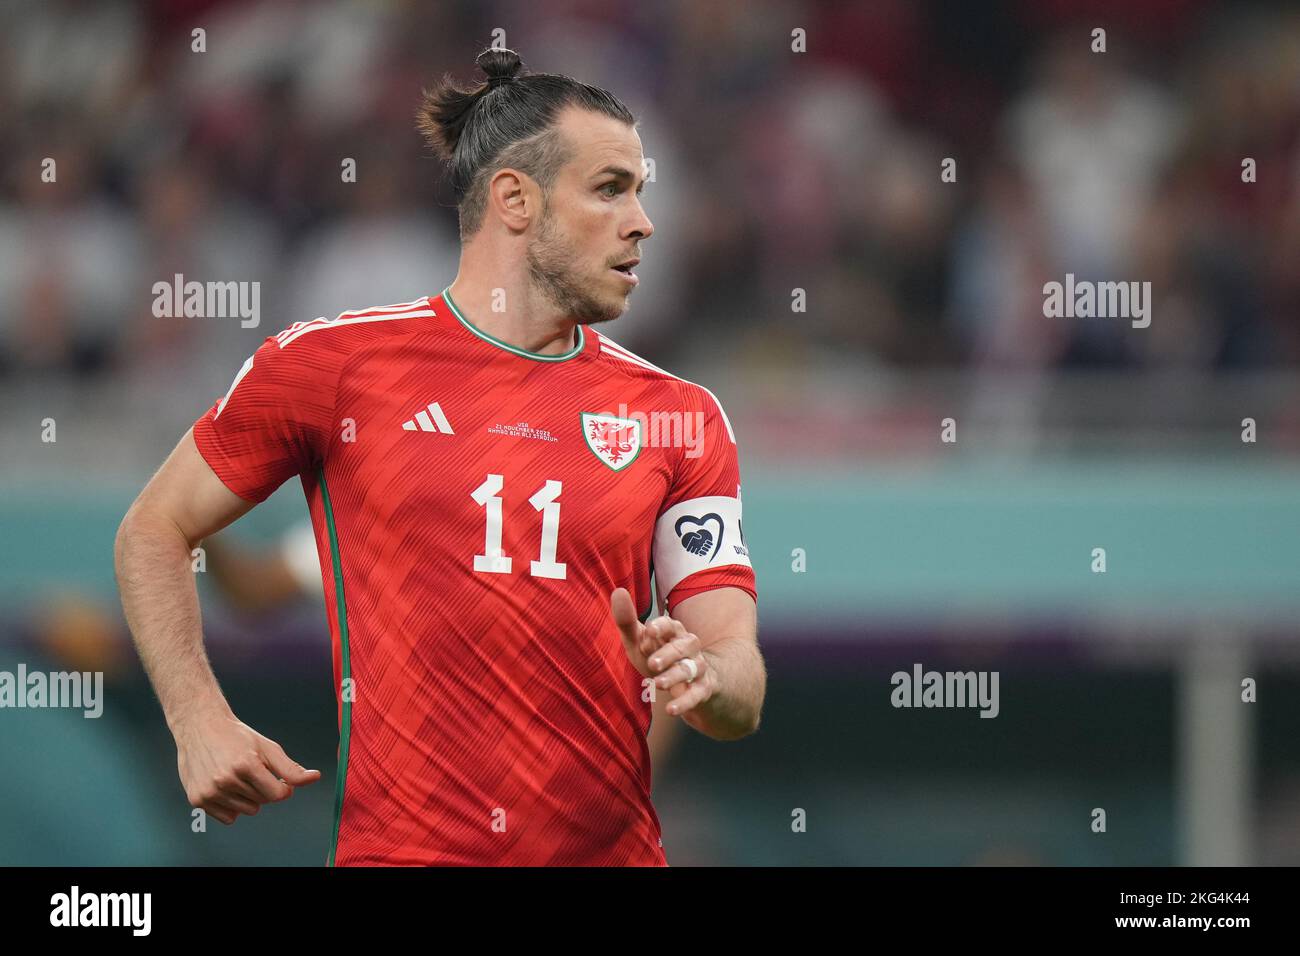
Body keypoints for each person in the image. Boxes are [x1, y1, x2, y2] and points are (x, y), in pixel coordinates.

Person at [114, 47, 764, 866]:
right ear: (514, 199)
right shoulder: (333, 367)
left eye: (642, 191)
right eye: (611, 189)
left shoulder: (680, 419)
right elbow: (154, 529)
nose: (643, 221)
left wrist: (707, 675)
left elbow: (738, 679)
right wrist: (197, 718)